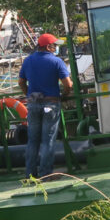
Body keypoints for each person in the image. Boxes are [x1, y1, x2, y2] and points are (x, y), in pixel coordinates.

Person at [18, 33, 73, 180]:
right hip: (51, 103)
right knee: (48, 140)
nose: (55, 48)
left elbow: (21, 82)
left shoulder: (28, 61)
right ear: (48, 46)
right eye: (54, 45)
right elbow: (68, 84)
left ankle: (30, 175)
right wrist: (65, 95)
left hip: (33, 104)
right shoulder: (56, 61)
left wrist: (29, 95)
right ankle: (46, 174)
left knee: (33, 140)